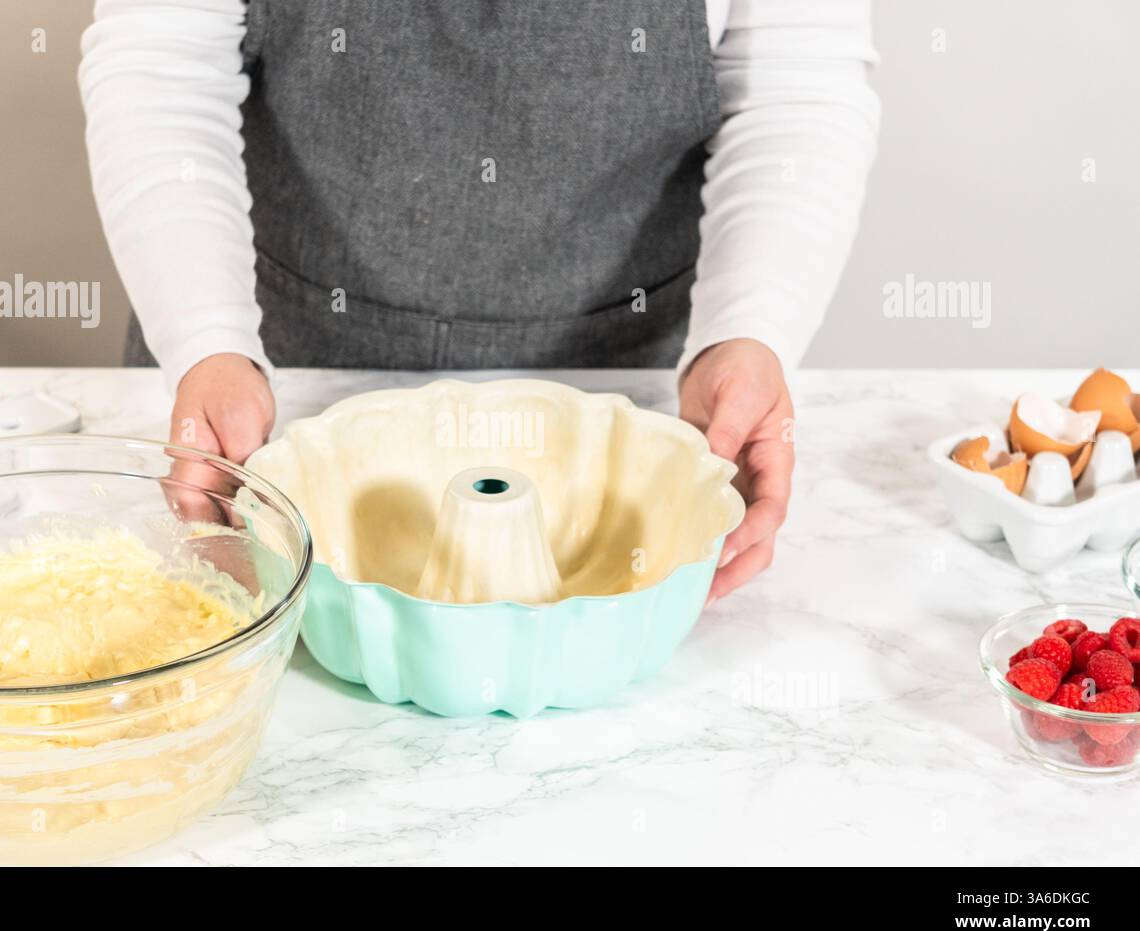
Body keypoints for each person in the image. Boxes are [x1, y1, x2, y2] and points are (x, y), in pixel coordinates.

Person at [79, 0, 880, 602]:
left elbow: (795, 89)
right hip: (271, 379)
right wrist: (207, 338)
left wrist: (750, 330)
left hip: (629, 401)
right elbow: (160, 68)